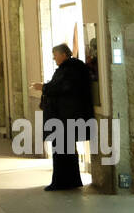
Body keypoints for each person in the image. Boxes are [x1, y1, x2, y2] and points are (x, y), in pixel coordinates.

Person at [40, 43, 95, 191]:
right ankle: (70, 180)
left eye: (55, 55)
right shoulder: (71, 68)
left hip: (66, 117)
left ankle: (62, 182)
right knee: (65, 150)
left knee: (63, 151)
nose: (53, 58)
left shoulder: (71, 69)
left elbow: (62, 88)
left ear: (63, 55)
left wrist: (44, 87)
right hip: (65, 116)